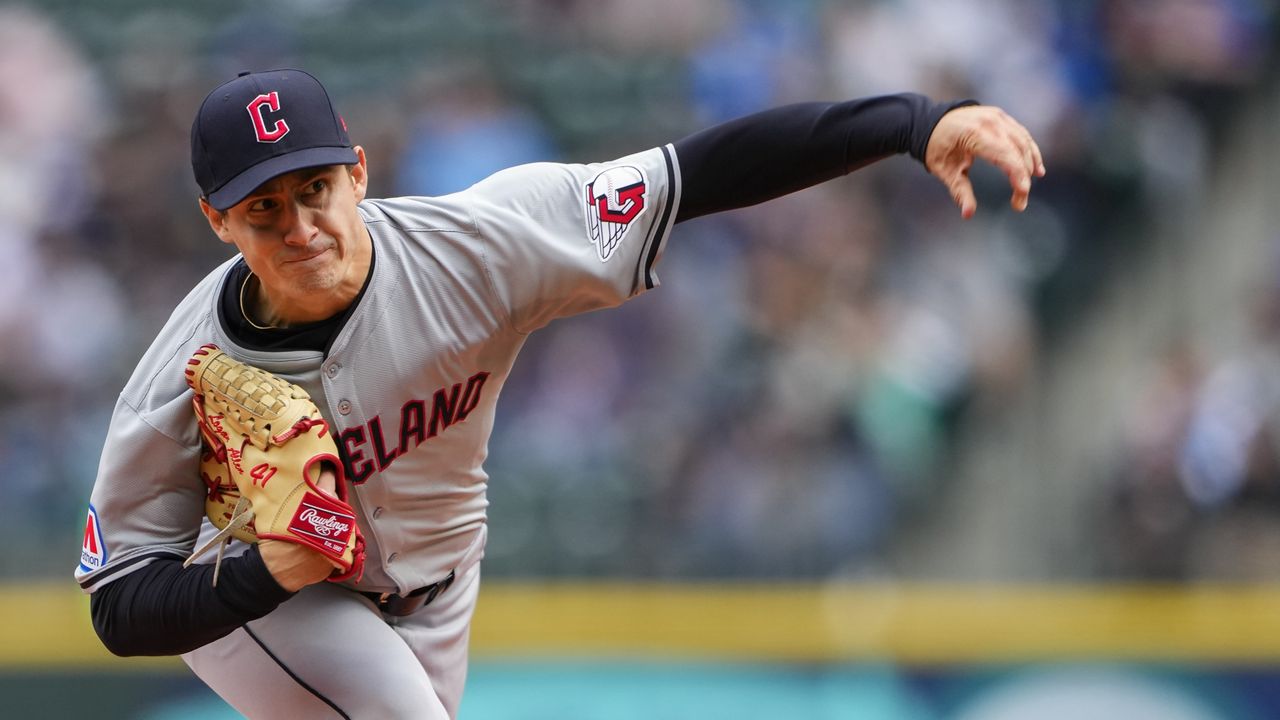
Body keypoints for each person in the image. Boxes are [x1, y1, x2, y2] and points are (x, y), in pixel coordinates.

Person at [75, 68, 1043, 719]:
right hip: (268, 599)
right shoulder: (185, 375)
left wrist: (910, 125)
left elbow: (692, 175)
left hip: (440, 580)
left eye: (315, 188)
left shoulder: (481, 244)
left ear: (358, 172)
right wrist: (266, 575)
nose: (300, 226)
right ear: (217, 222)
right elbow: (119, 609)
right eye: (262, 209)